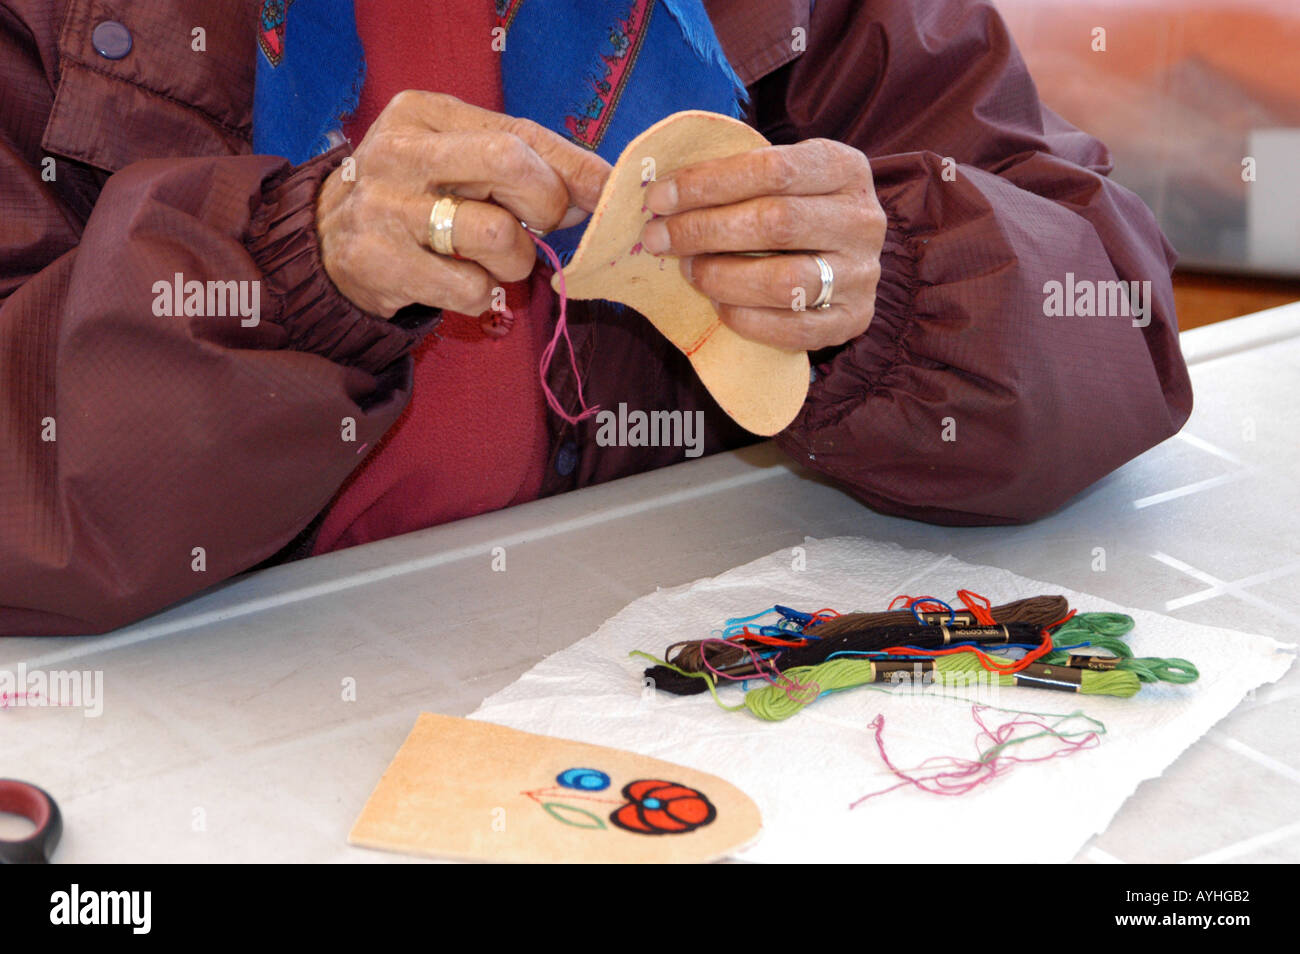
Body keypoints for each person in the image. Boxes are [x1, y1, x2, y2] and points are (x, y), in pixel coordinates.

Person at [0, 0, 1191, 636]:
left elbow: (1110, 324)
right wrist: (279, 272)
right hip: (207, 718)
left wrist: (907, 288)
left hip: (656, 684)